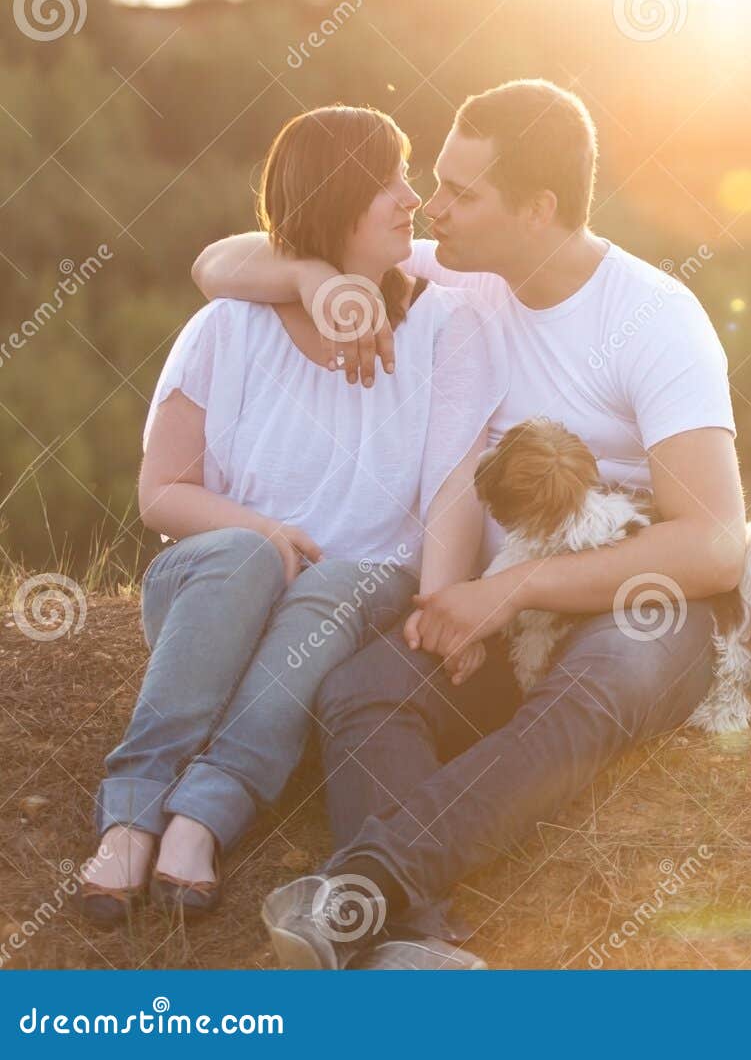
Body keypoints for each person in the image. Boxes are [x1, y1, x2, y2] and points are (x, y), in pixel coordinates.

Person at [190, 79, 746, 969]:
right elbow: (217, 263)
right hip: (495, 614)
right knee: (363, 691)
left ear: (538, 209)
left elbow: (715, 542)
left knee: (597, 677)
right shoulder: (462, 274)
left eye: (461, 193)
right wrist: (309, 273)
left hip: (640, 603)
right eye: (434, 183)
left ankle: (365, 888)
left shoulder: (656, 319)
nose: (431, 207)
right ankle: (417, 948)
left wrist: (513, 589)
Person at [79, 106, 501, 938]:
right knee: (240, 553)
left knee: (341, 580)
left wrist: (446, 603)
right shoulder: (226, 326)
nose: (411, 198)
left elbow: (456, 489)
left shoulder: (448, 326)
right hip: (216, 591)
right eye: (389, 180)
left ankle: (203, 814)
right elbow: (161, 493)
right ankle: (129, 815)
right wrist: (264, 536)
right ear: (336, 196)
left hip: (357, 592)